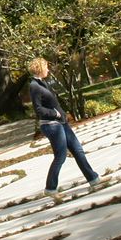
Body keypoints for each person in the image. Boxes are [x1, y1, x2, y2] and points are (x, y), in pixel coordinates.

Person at [28, 56, 101, 197]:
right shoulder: (34, 86)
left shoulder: (42, 83)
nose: (48, 69)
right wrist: (55, 114)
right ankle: (50, 189)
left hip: (61, 123)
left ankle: (93, 179)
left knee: (78, 150)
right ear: (40, 68)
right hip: (51, 125)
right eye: (46, 67)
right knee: (60, 156)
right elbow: (38, 109)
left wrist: (62, 114)